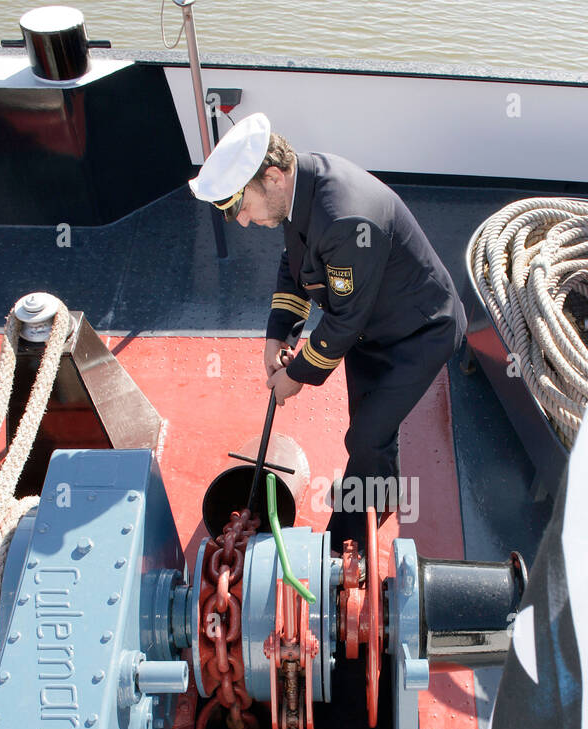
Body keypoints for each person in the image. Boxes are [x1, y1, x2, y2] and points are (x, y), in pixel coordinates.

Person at [190, 111, 467, 551]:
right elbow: (297, 264)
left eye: (241, 206)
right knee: (370, 431)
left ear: (273, 177)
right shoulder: (302, 188)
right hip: (372, 327)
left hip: (417, 333)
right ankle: (384, 491)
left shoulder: (344, 219)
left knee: (366, 436)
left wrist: (295, 376)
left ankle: (344, 545)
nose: (242, 221)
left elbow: (343, 320)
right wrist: (278, 335)